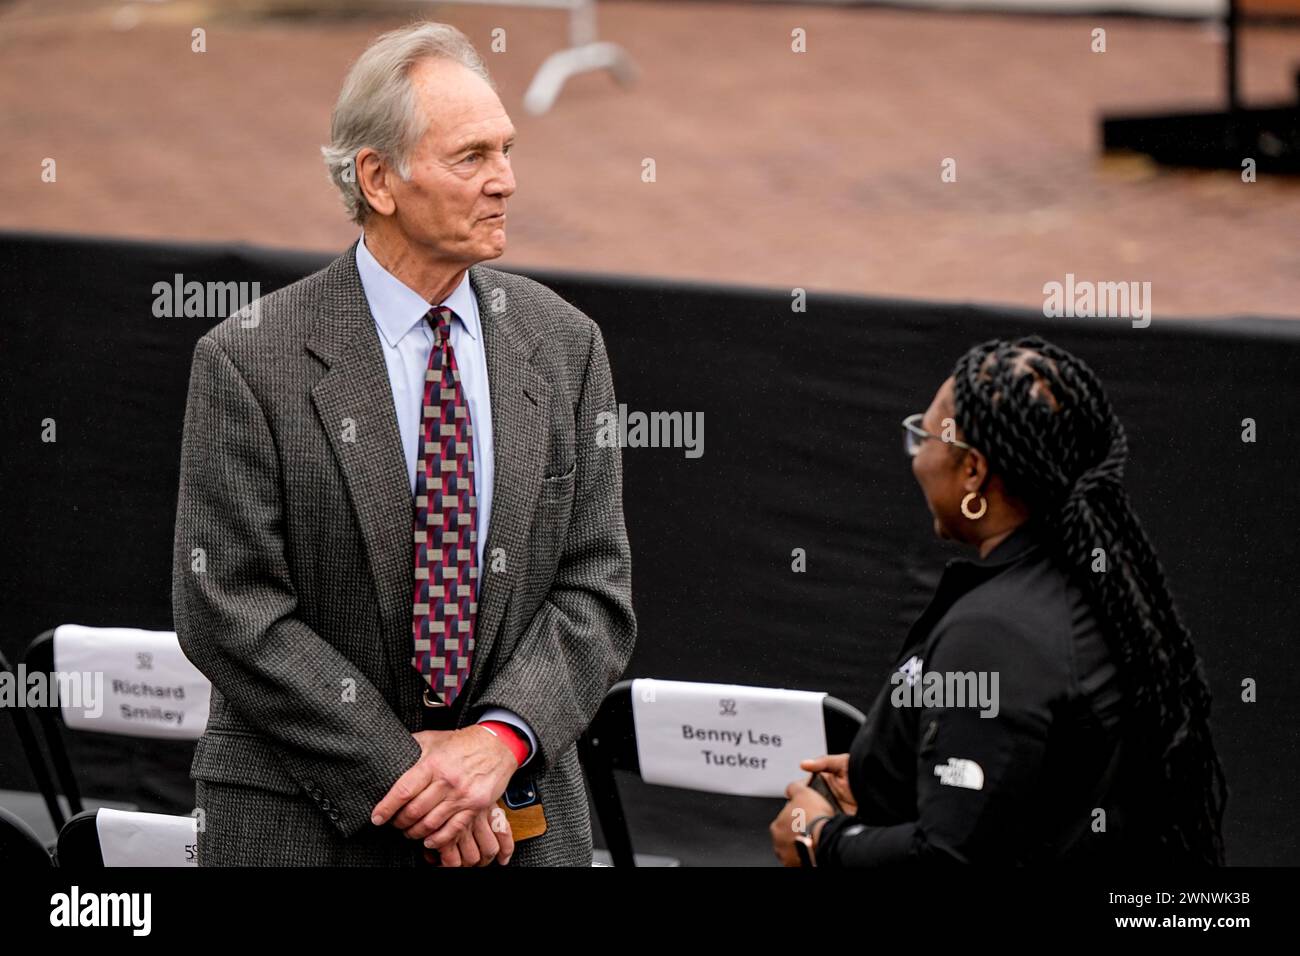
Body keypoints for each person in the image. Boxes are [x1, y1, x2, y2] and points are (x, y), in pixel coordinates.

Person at [172, 21, 636, 866]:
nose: (506, 181)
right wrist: (415, 779)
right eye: (472, 157)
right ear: (378, 179)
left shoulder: (565, 345)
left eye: (507, 150)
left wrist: (496, 744)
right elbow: (228, 610)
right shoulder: (247, 359)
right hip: (302, 824)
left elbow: (595, 589)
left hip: (518, 827)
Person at [770, 335, 1227, 866]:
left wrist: (821, 841)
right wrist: (889, 774)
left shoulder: (994, 635)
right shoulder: (1099, 591)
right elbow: (1025, 784)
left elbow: (949, 858)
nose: (917, 459)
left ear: (973, 472)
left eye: (925, 437)